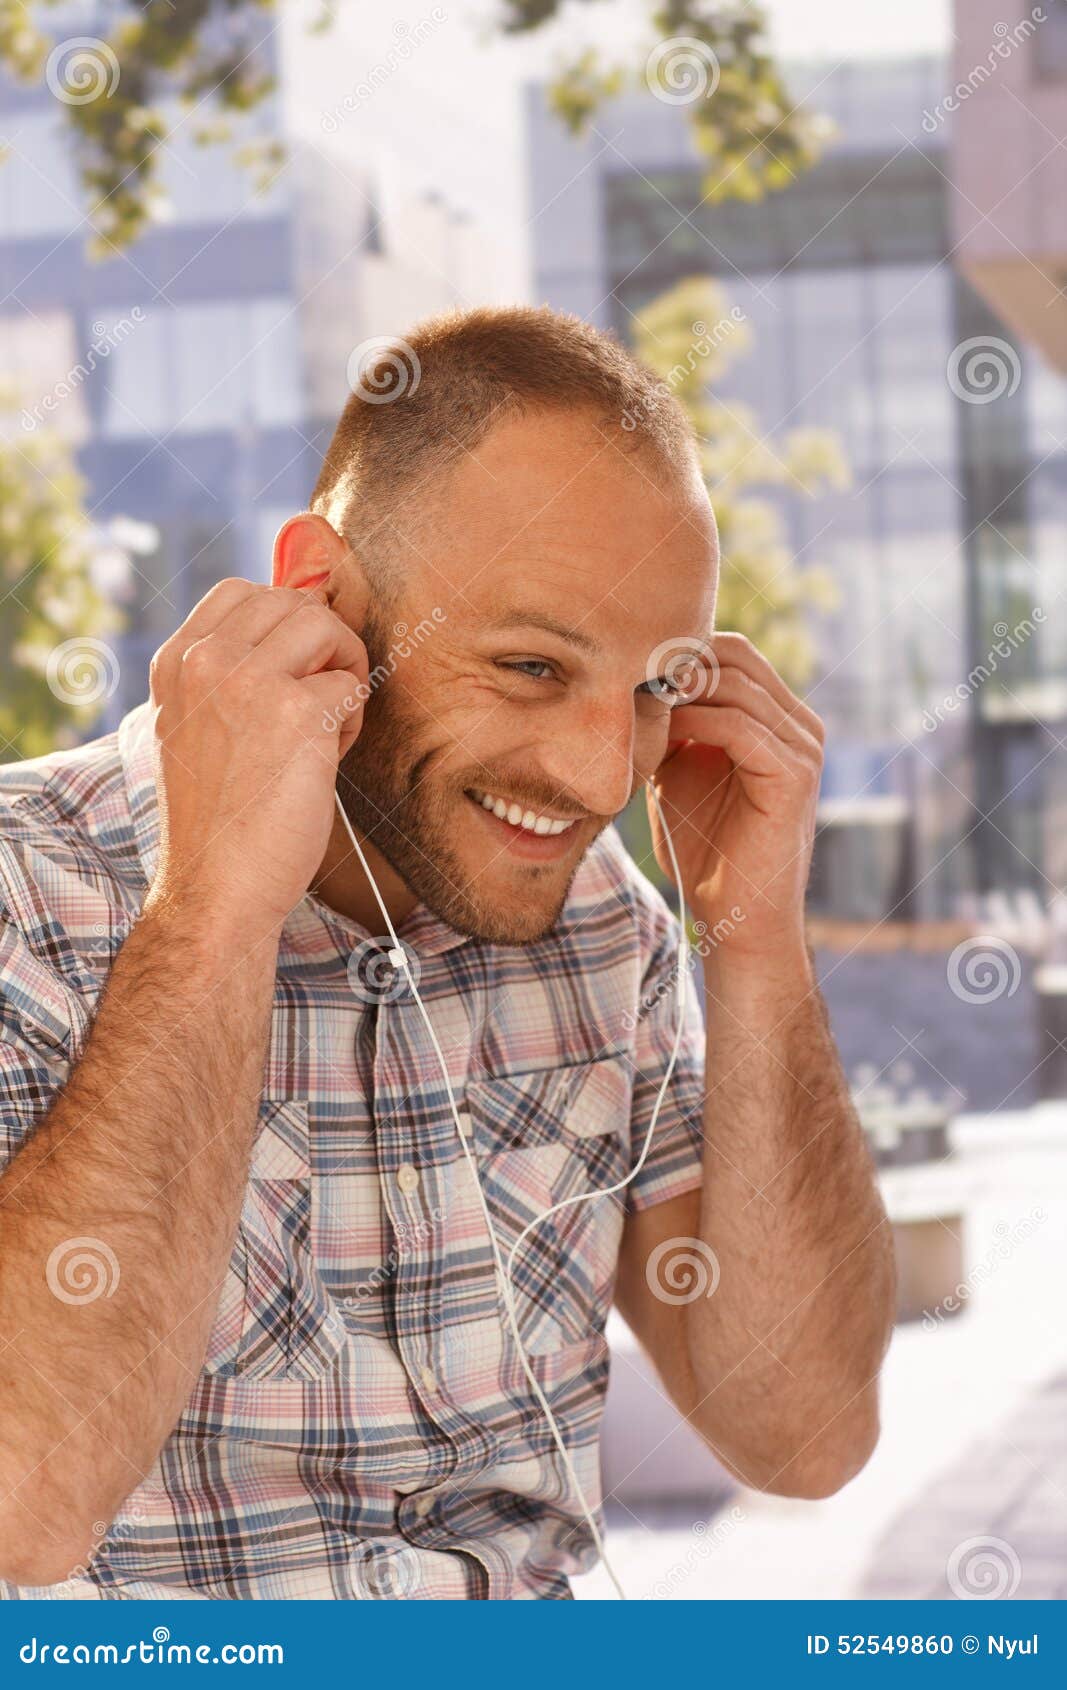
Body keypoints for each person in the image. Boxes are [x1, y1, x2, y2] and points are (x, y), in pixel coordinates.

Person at [0, 306, 894, 1599]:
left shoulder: (603, 923)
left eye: (653, 686)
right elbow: (22, 1500)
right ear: (320, 593)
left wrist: (756, 946)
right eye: (531, 665)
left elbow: (805, 1435)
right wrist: (213, 913)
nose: (600, 776)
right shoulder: (27, 884)